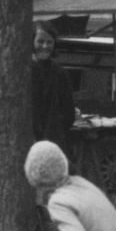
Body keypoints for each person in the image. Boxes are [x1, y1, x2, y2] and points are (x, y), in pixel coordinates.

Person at [30, 21, 76, 154]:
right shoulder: (21, 70)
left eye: (49, 42)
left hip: (51, 142)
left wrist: (54, 129)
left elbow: (69, 114)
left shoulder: (59, 72)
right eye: (40, 41)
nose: (45, 46)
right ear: (31, 41)